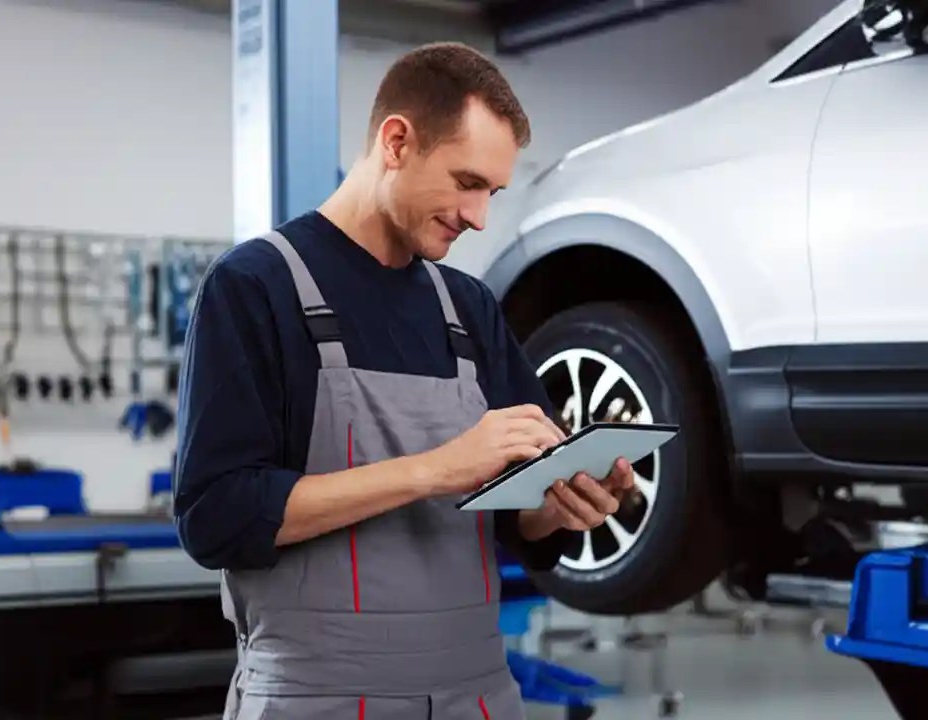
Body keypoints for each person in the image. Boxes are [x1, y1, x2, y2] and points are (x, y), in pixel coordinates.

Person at [173, 42, 635, 719]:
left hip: (477, 695)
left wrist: (564, 503)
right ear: (396, 142)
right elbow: (216, 517)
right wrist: (434, 470)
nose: (479, 216)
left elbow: (518, 517)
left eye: (492, 193)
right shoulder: (254, 287)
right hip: (316, 699)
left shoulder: (469, 309)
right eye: (467, 182)